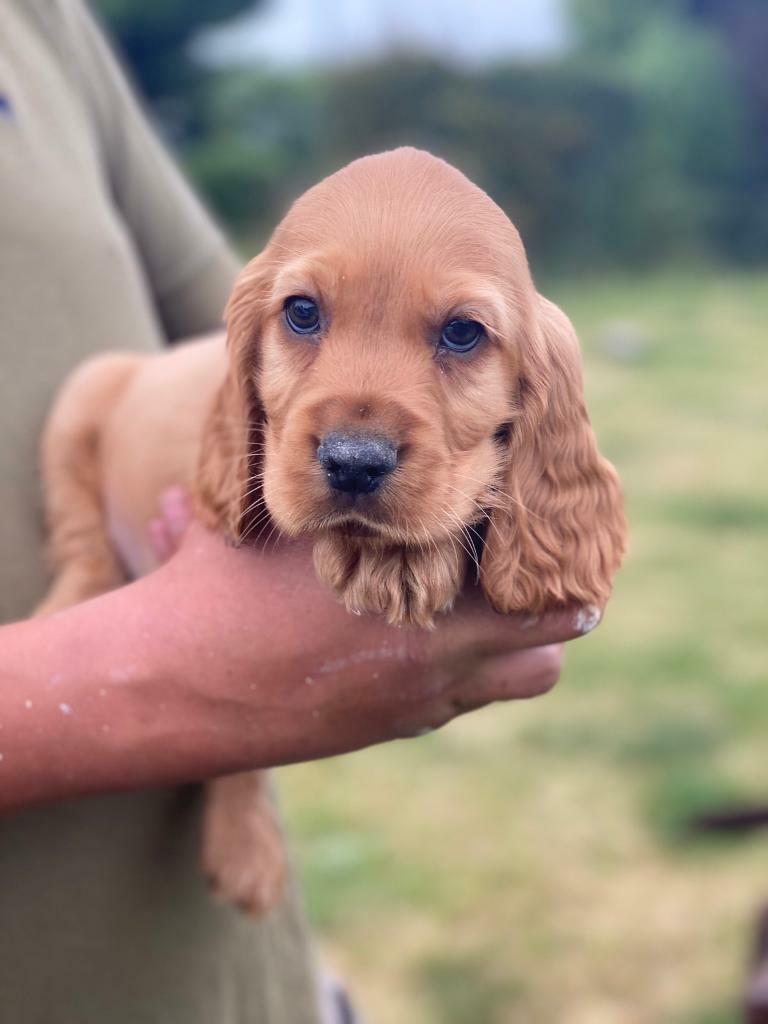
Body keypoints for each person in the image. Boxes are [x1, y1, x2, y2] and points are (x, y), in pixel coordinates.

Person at [0, 1, 580, 1020]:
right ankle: (89, 557)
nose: (356, 437)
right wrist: (150, 673)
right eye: (306, 317)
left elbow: (242, 309)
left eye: (462, 336)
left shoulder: (33, 19)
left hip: (230, 974)